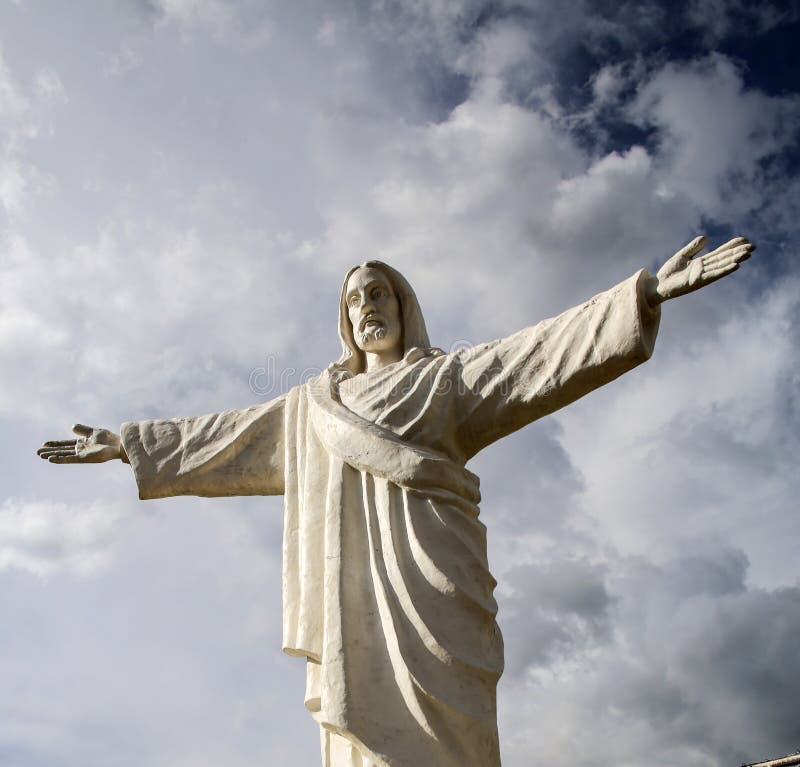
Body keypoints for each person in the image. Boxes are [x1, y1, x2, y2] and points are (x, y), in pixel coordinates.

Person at [38, 236, 754, 767]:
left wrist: (643, 296)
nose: (367, 305)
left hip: (434, 587)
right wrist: (134, 442)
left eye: (379, 292)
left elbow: (540, 355)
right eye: (354, 298)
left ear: (404, 305)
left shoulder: (448, 379)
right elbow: (227, 439)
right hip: (357, 608)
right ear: (344, 322)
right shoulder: (312, 407)